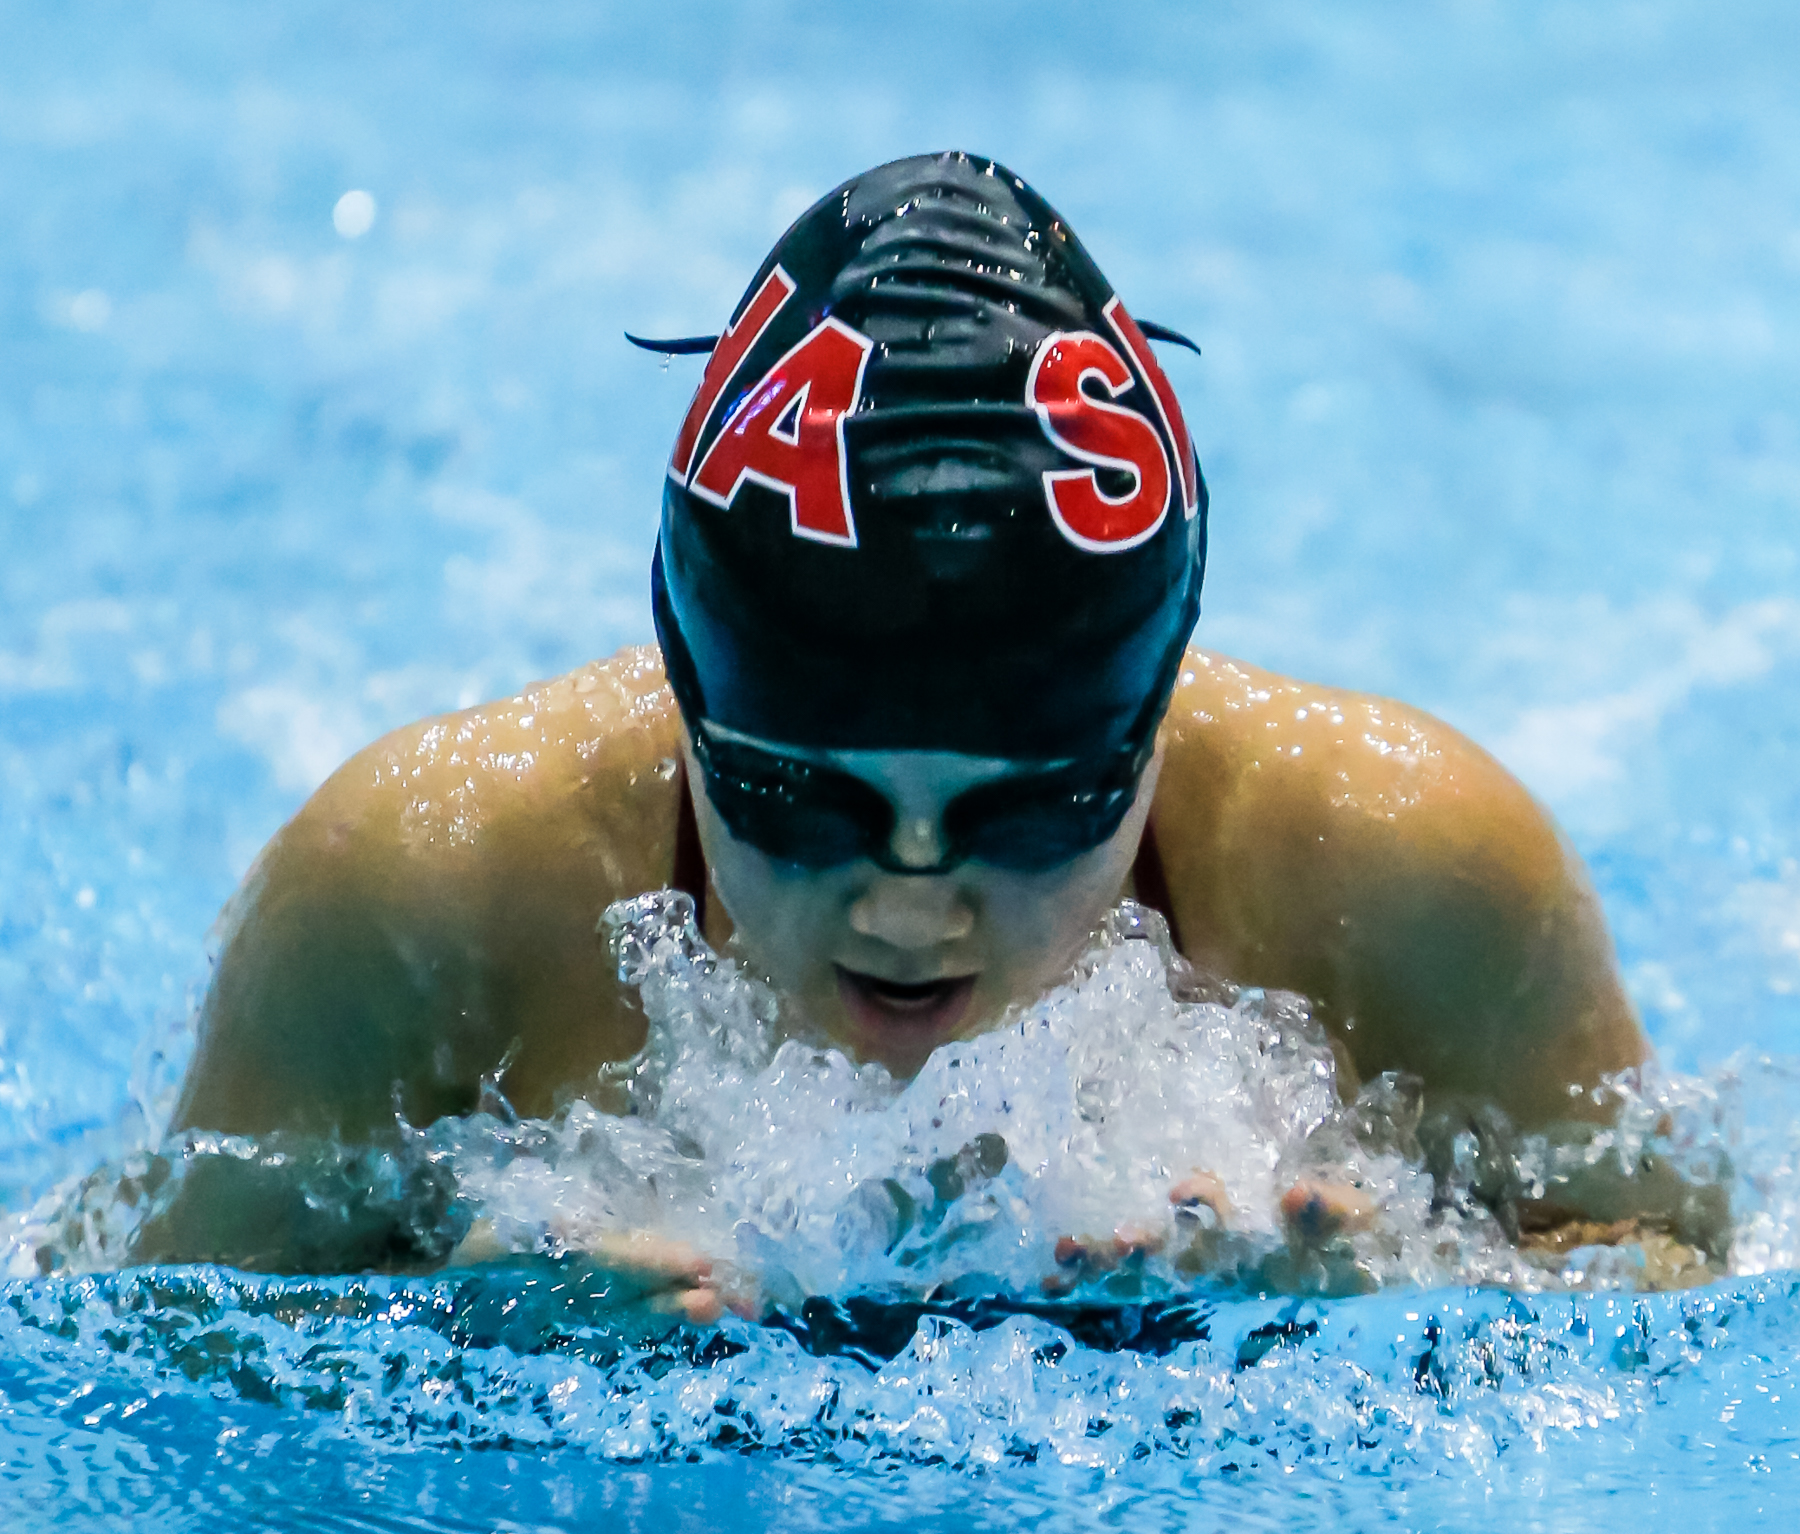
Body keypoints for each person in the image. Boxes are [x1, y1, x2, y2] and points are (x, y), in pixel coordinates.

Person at [155, 152, 1718, 1303]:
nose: (909, 901)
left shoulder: (1411, 877)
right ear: (685, 709)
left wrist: (1415, 1313)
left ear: (1158, 723)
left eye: (1028, 812)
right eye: (801, 801)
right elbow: (135, 1323)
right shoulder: (418, 896)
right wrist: (447, 1345)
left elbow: (1683, 1269)